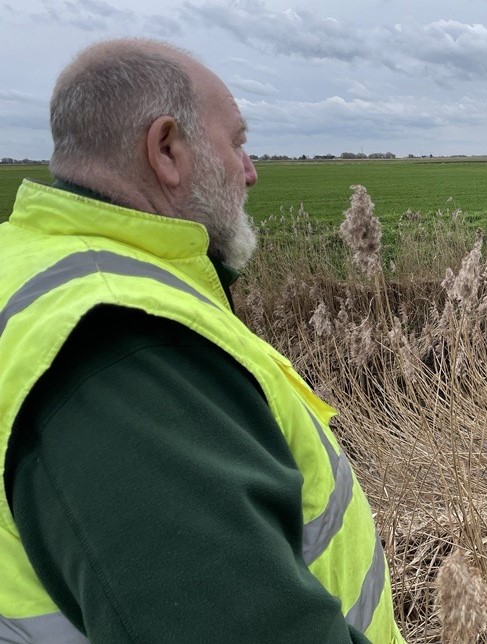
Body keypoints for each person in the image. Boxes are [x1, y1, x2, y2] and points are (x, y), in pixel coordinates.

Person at [0, 39, 404, 643]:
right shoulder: (125, 351)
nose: (251, 171)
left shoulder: (31, 266)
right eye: (237, 142)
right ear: (167, 149)